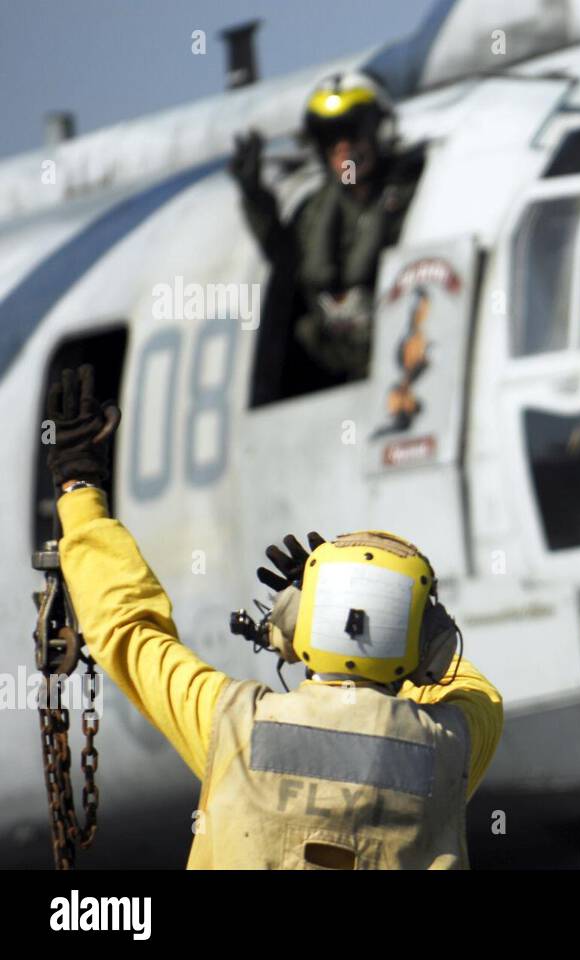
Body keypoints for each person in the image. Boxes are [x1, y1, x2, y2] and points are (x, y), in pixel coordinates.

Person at [45, 365, 502, 869]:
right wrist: (415, 648)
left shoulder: (233, 725)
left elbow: (128, 627)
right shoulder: (449, 750)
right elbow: (468, 688)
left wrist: (79, 491)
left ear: (296, 623)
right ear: (429, 643)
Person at [229, 70, 424, 383]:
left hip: (401, 363)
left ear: (379, 132)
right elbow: (285, 259)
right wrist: (255, 196)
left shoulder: (415, 194)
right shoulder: (314, 214)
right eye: (332, 139)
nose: (344, 148)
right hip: (339, 375)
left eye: (353, 133)